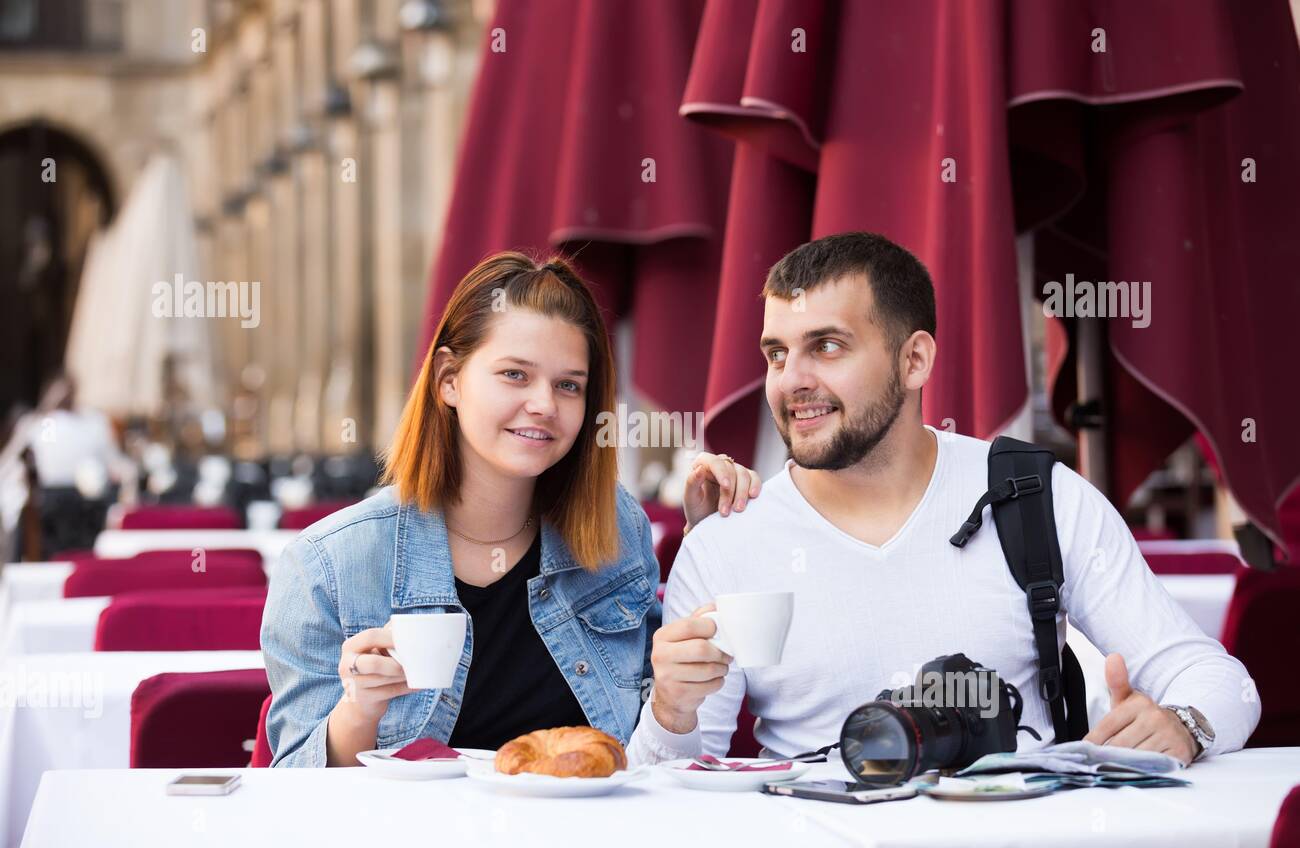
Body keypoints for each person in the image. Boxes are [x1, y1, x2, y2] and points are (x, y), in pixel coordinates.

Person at [628, 231, 1260, 767]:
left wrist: (1186, 726)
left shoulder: (1036, 496)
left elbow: (1219, 682)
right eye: (776, 353)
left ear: (915, 360)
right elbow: (684, 782)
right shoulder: (728, 540)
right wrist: (670, 711)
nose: (793, 380)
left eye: (826, 346)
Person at [262, 251, 760, 767]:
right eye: (515, 375)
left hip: (590, 841)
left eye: (569, 385)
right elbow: (295, 789)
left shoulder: (616, 530)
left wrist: (709, 536)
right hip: (415, 845)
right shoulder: (326, 564)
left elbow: (653, 755)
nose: (545, 404)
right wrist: (358, 711)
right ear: (448, 380)